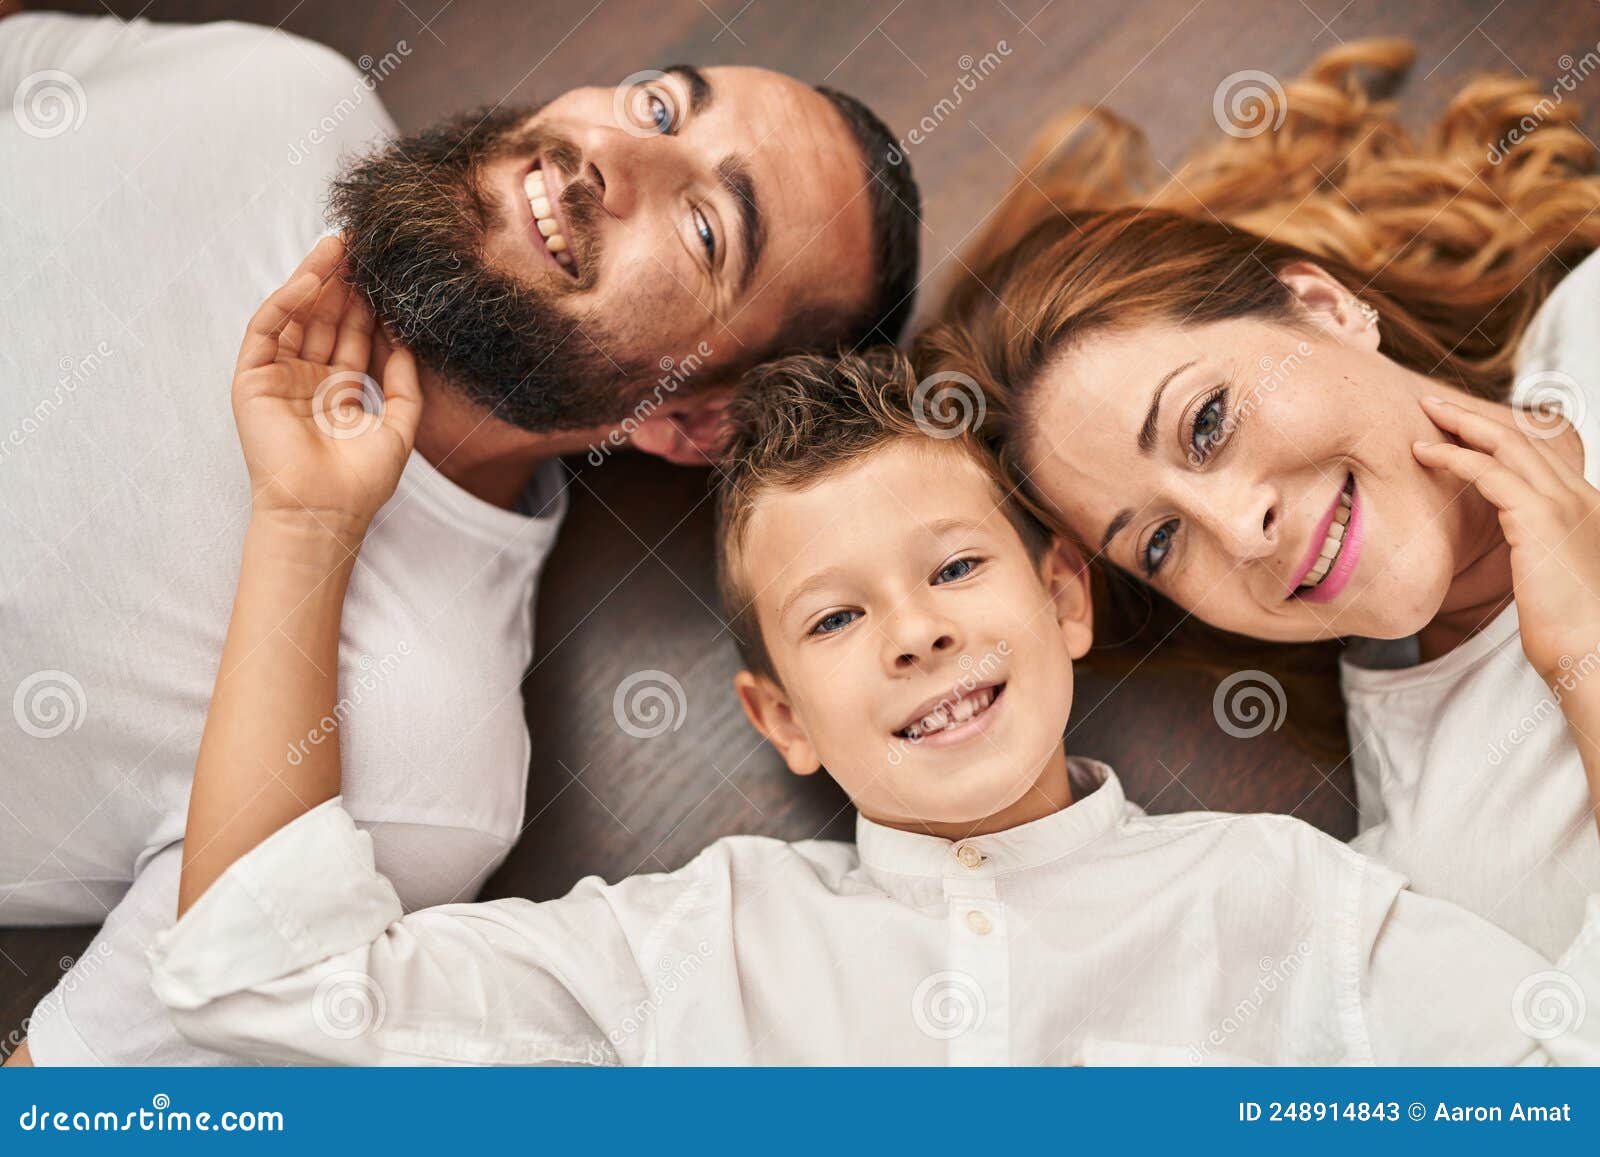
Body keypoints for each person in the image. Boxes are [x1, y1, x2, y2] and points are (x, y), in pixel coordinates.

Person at [144, 273, 1599, 1065]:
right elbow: (258, 981)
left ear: (1065, 597)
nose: (914, 634)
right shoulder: (690, 950)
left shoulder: (1290, 906)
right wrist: (307, 523)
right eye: (835, 621)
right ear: (778, 716)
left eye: (956, 570)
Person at [0, 9, 920, 1065]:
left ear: (695, 419)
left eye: (707, 227)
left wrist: (306, 529)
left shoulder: (419, 767)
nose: (611, 152)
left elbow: (61, 1115)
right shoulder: (278, 93)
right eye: (660, 104)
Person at [915, 40, 1600, 962]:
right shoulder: (1443, 887)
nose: (1240, 531)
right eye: (1160, 543)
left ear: (1323, 306)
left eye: (1206, 423)